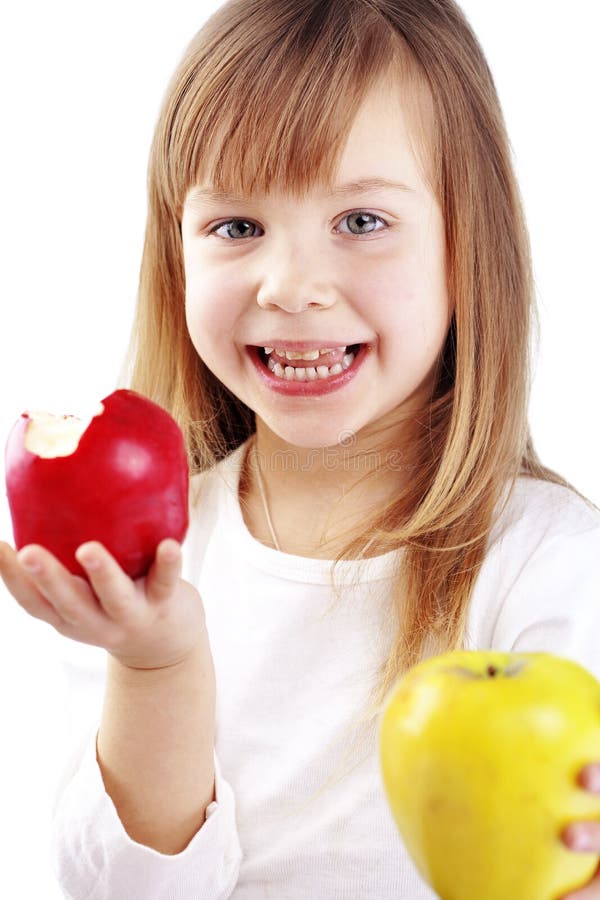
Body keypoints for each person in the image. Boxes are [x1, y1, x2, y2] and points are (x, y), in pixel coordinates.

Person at [1, 0, 600, 897]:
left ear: (466, 249)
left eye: (361, 221)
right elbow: (128, 890)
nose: (290, 287)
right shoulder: (155, 556)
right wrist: (154, 661)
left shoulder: (551, 567)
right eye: (237, 227)